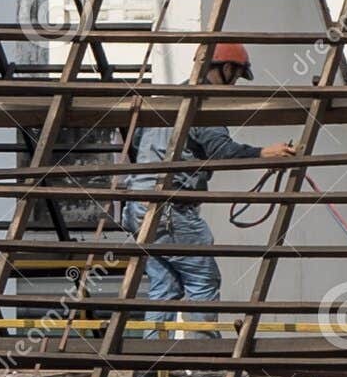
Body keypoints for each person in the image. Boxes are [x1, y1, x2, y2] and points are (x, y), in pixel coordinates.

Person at [123, 42, 297, 341]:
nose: (235, 84)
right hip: (170, 209)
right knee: (203, 279)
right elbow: (222, 151)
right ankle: (204, 363)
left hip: (138, 206)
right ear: (225, 69)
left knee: (163, 287)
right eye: (236, 75)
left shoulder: (167, 98)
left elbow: (137, 145)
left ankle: (149, 367)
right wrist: (265, 153)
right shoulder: (203, 103)